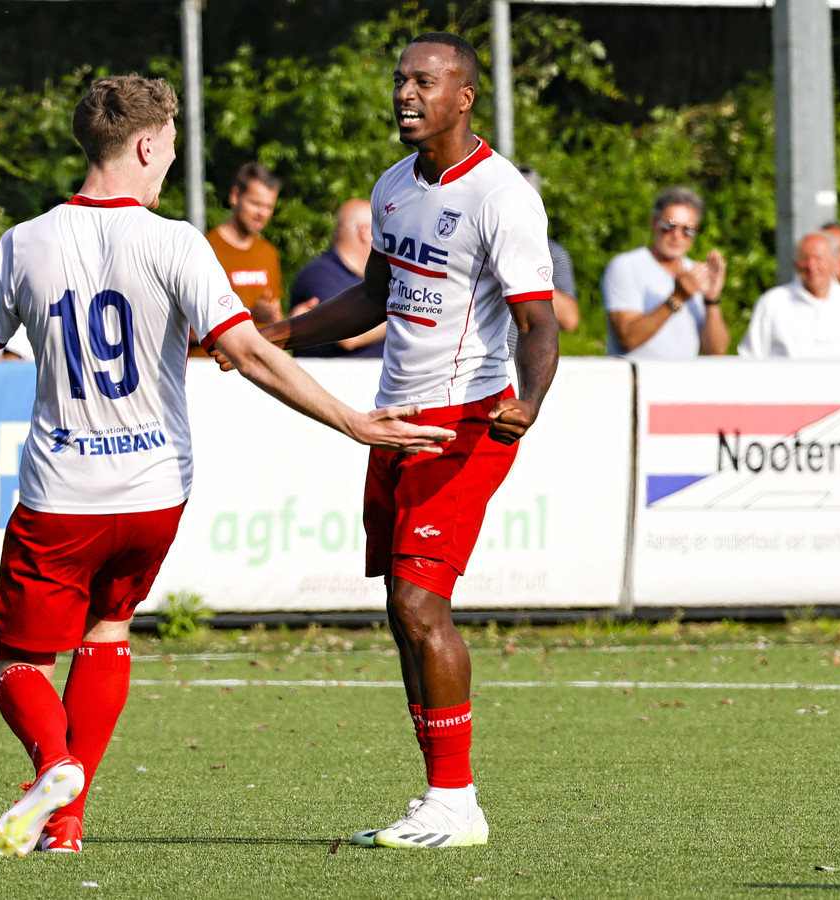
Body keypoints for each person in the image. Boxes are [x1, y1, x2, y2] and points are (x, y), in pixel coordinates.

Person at [0, 74, 453, 858]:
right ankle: (65, 828)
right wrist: (351, 422)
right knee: (109, 627)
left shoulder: (24, 242)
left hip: (60, 495)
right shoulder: (175, 242)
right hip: (155, 492)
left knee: (20, 662)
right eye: (169, 148)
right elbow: (250, 354)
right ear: (147, 144)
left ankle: (53, 768)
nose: (168, 164)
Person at [224, 32, 560, 850]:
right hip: (394, 419)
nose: (404, 93)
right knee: (401, 608)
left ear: (463, 97)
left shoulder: (501, 196)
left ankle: (454, 799)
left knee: (418, 601)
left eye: (423, 81)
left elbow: (537, 322)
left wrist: (533, 399)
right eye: (400, 79)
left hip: (468, 420)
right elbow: (371, 298)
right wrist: (277, 336)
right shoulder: (392, 187)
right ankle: (442, 798)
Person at [601, 186, 728, 358]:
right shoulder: (625, 266)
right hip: (637, 381)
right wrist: (677, 298)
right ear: (654, 223)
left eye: (687, 230)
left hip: (683, 382)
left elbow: (715, 352)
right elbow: (628, 338)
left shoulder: (695, 274)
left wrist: (712, 300)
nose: (677, 235)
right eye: (669, 226)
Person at [738, 231, 840, 359]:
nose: (811, 265)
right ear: (795, 263)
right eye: (804, 258)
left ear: (833, 262)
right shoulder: (772, 302)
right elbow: (750, 357)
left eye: (819, 258)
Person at [288, 198, 386, 358]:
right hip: (328, 381)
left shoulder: (375, 277)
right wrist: (403, 314)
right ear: (365, 232)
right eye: (382, 231)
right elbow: (348, 335)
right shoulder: (319, 274)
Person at [207, 162, 283, 326]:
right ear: (235, 196)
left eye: (269, 206)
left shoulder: (269, 252)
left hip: (263, 350)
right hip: (212, 352)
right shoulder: (206, 248)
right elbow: (189, 327)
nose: (262, 213)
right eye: (255, 203)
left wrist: (295, 318)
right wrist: (251, 314)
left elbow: (276, 321)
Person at [516, 166, 579, 332]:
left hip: (525, 354)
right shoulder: (478, 242)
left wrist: (521, 264)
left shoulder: (554, 253)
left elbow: (569, 319)